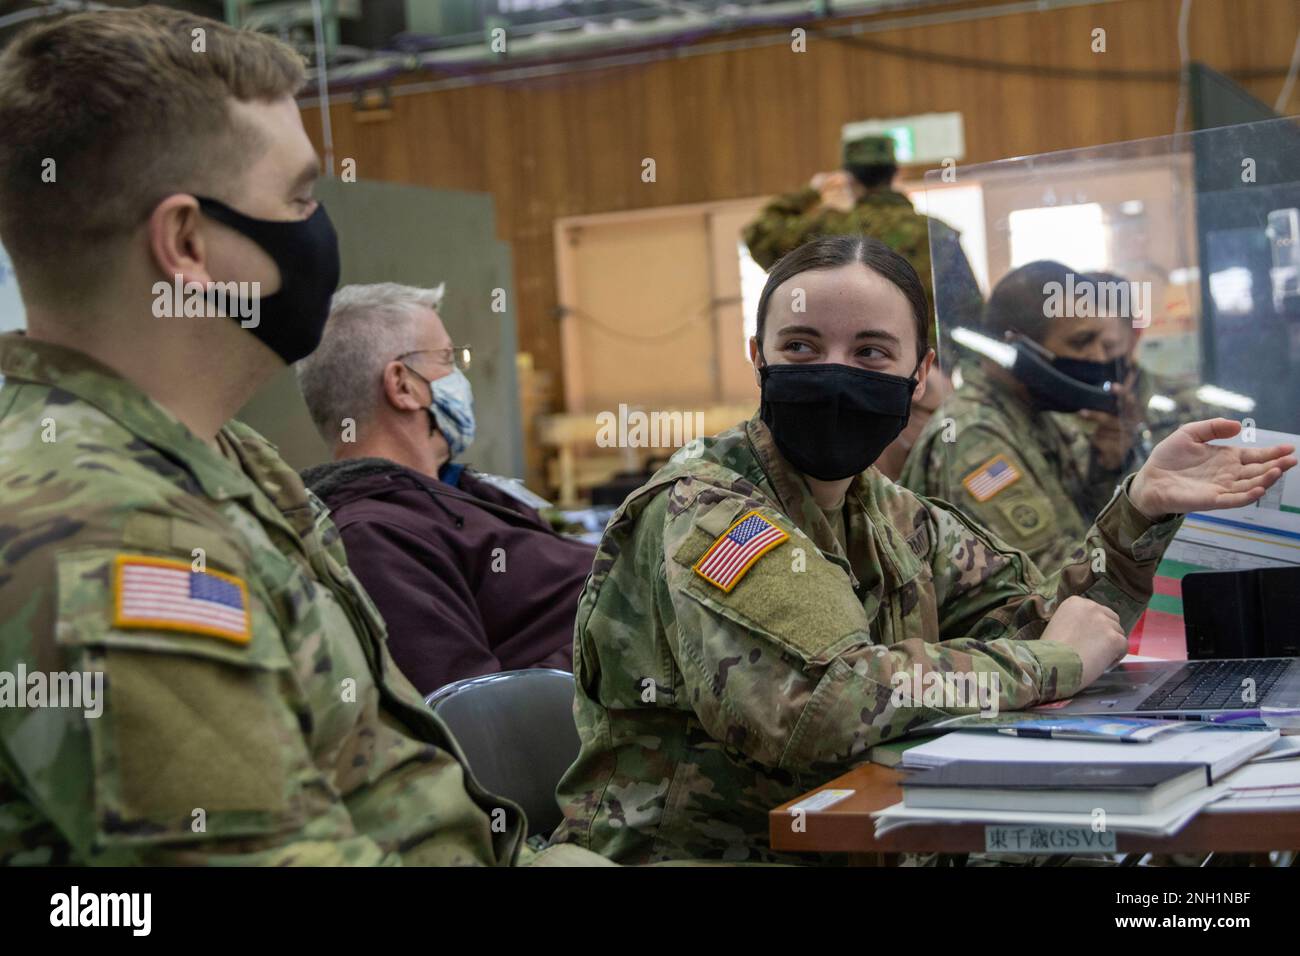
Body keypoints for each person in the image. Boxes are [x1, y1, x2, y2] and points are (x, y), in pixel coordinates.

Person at [0, 7, 606, 866]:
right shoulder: (110, 537)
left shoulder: (227, 463)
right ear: (187, 243)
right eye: (299, 198)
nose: (321, 231)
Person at [550, 235, 1294, 864]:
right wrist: (1048, 663)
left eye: (871, 352)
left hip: (864, 839)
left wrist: (1137, 512)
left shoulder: (889, 512)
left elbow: (1056, 626)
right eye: (803, 347)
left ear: (920, 371)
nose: (836, 373)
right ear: (758, 356)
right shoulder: (711, 511)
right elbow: (815, 709)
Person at [296, 282, 596, 696]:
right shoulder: (374, 536)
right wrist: (632, 633)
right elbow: (477, 718)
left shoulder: (456, 491)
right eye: (448, 359)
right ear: (403, 385)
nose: (460, 375)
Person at [742, 132, 980, 480]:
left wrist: (813, 190)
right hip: (917, 390)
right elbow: (970, 318)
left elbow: (759, 234)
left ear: (850, 177)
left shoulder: (826, 230)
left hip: (823, 395)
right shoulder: (936, 234)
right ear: (895, 173)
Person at [900, 260, 1138, 571]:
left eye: (1101, 342)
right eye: (1081, 342)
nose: (1098, 357)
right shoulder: (974, 436)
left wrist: (1109, 465)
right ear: (1017, 349)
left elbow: (1086, 526)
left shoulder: (1043, 415)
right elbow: (1048, 579)